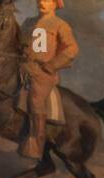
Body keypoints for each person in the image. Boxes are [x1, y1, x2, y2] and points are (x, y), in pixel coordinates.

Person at [20, 0, 80, 160]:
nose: (42, 2)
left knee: (36, 98)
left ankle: (35, 144)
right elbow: (19, 43)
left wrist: (53, 64)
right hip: (23, 65)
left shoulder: (60, 25)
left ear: (55, 4)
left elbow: (72, 48)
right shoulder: (28, 22)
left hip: (43, 71)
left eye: (47, 0)